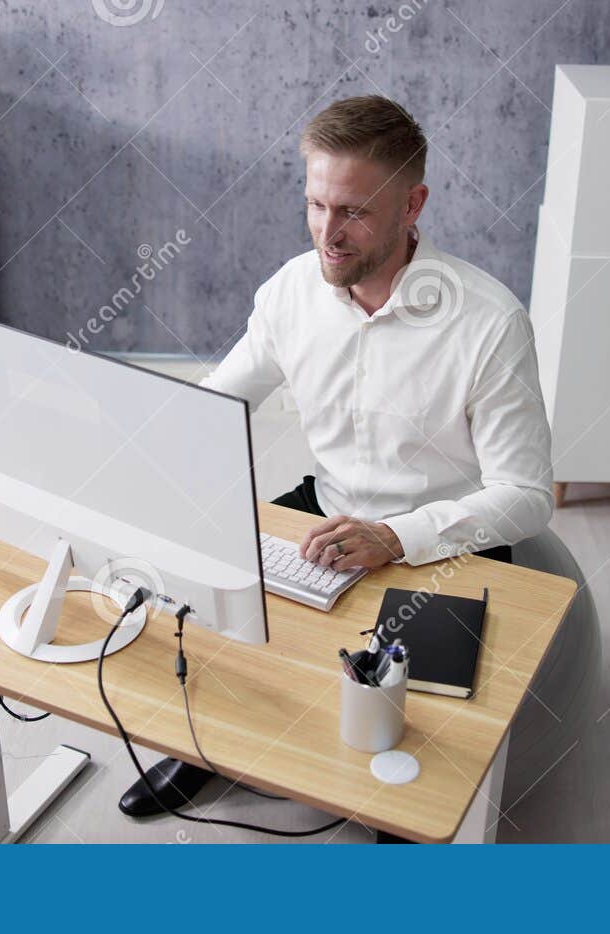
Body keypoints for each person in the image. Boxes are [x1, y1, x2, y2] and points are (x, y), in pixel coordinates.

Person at [118, 94, 555, 818]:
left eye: (353, 211)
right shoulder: (292, 290)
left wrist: (394, 537)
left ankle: (403, 821)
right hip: (327, 510)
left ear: (412, 204)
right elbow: (215, 406)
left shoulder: (489, 322)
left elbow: (528, 496)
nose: (328, 232)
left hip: (445, 542)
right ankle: (204, 747)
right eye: (316, 205)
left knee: (413, 749)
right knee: (209, 598)